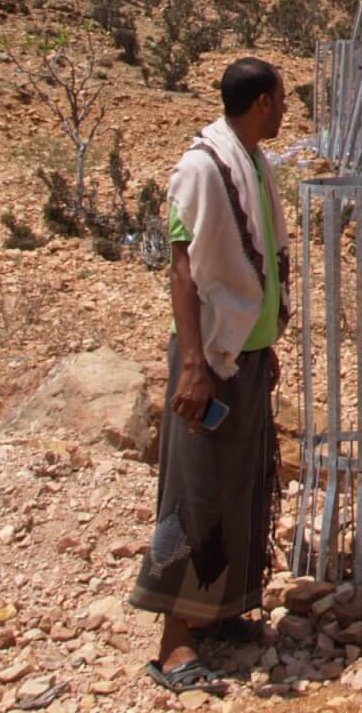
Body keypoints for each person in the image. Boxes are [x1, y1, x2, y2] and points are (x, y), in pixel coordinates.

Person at [131, 58, 290, 691]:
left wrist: (265, 339)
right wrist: (193, 365)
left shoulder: (253, 164)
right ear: (258, 104)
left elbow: (256, 266)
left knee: (242, 484)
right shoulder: (201, 168)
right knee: (193, 494)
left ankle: (223, 612)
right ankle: (173, 640)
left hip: (244, 353)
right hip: (210, 359)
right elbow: (184, 271)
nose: (284, 111)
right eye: (279, 100)